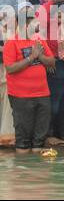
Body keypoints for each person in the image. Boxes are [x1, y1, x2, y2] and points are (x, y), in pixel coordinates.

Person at [3, 13, 55, 154]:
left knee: (40, 136)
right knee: (23, 137)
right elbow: (10, 68)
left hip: (43, 93)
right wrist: (31, 57)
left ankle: (36, 168)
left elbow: (52, 62)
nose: (37, 27)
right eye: (34, 24)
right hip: (20, 95)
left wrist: (40, 56)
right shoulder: (12, 42)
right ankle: (22, 170)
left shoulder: (39, 40)